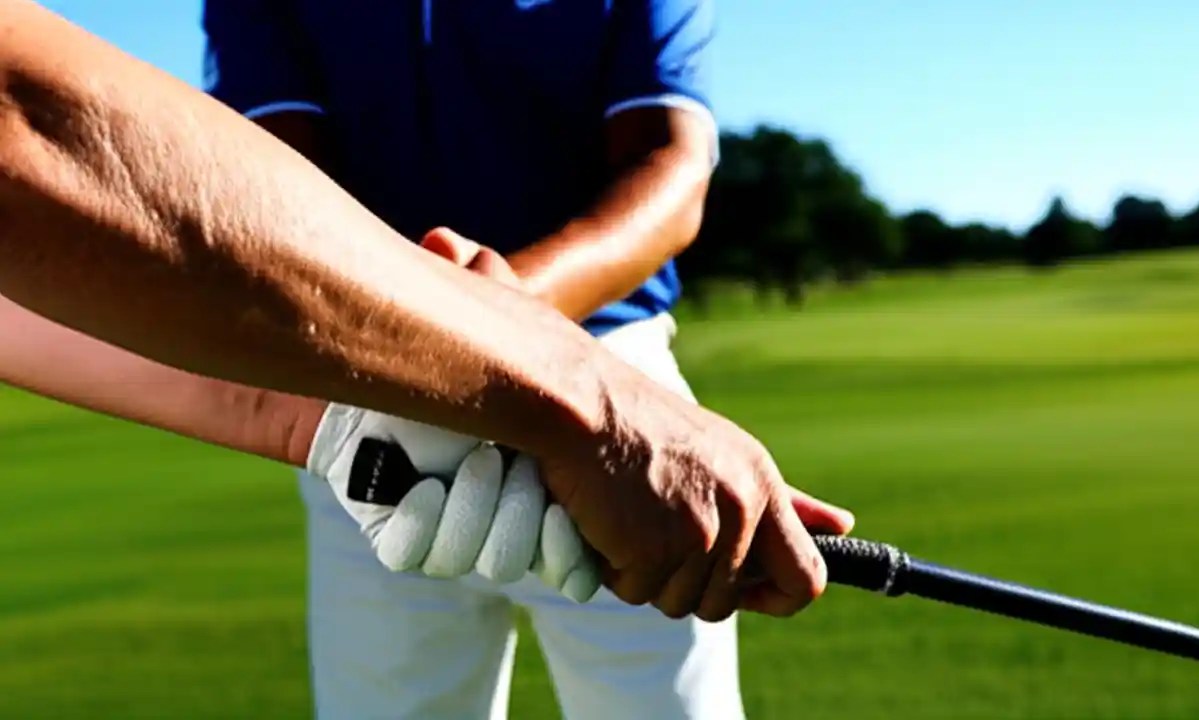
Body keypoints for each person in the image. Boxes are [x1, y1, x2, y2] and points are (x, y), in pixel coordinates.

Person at [0, 0, 840, 650]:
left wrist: (491, 346)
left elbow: (672, 169)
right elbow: (44, 137)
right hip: (351, 372)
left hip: (585, 368)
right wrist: (462, 353)